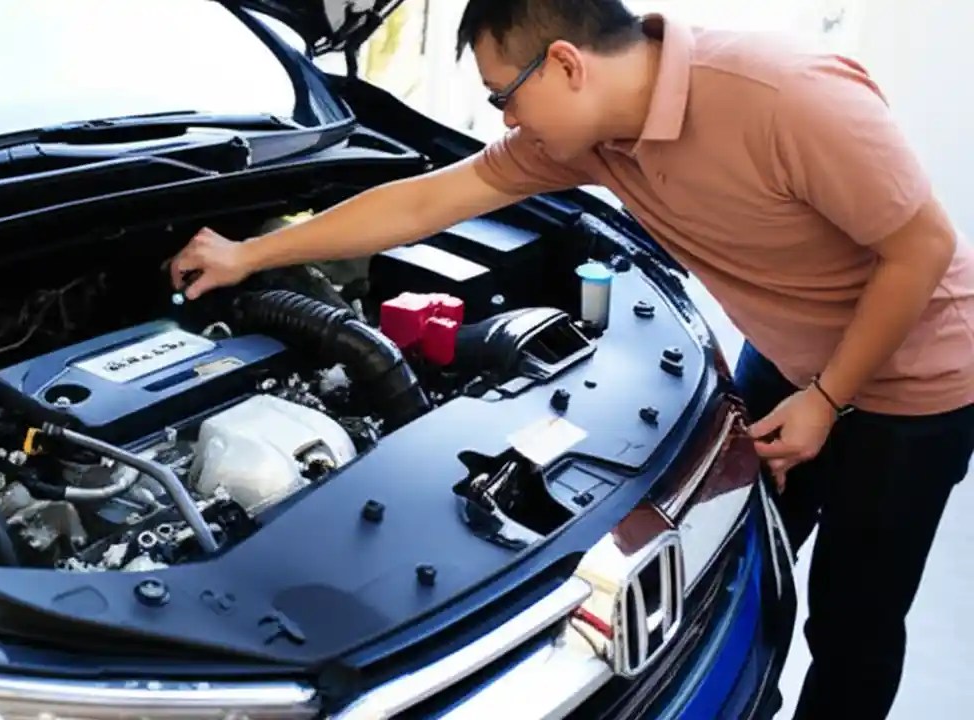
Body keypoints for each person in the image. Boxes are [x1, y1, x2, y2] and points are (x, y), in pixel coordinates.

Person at [167, 2, 974, 716]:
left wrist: (829, 399)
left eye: (502, 96)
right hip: (787, 352)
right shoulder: (590, 135)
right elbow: (423, 202)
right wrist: (248, 257)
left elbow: (922, 247)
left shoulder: (783, 94)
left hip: (913, 382)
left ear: (565, 63)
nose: (503, 121)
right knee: (732, 556)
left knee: (852, 617)